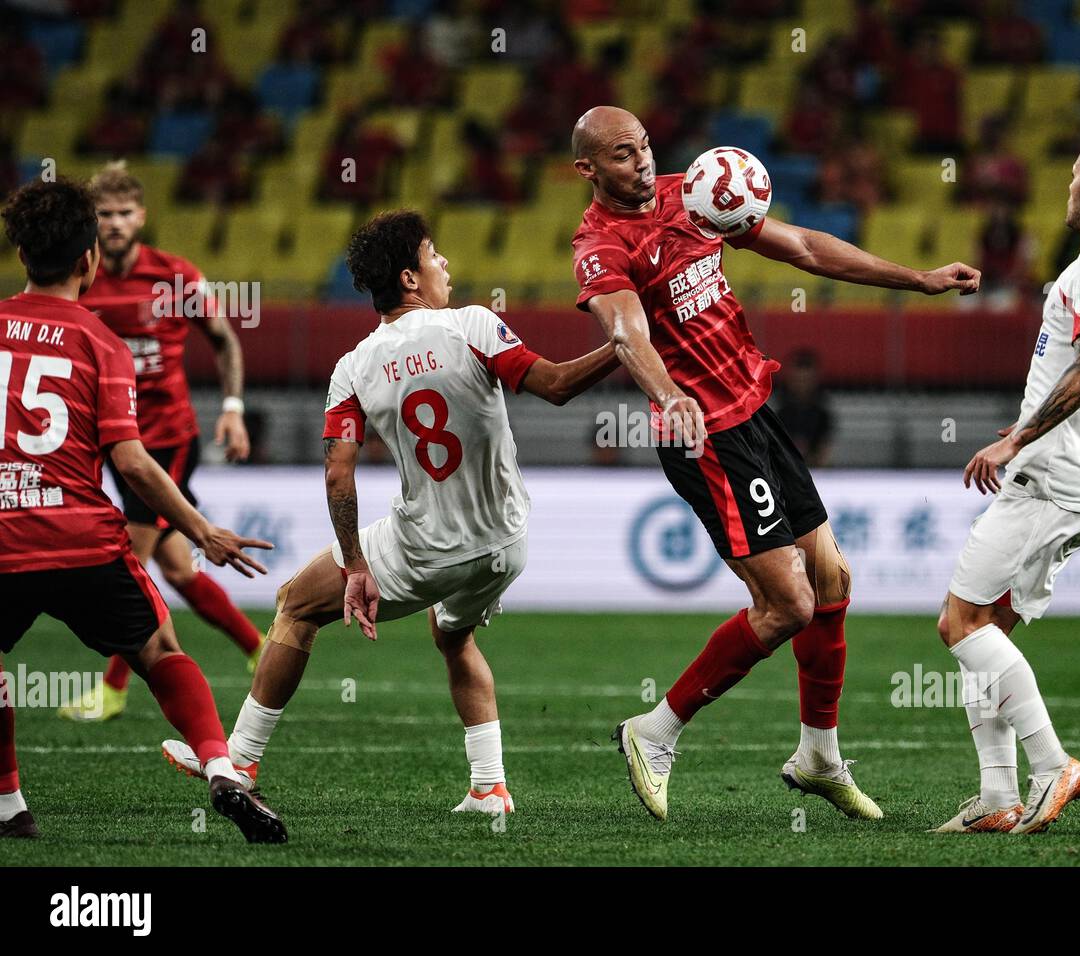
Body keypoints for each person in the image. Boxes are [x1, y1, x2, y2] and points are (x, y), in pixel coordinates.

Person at [569, 105, 981, 821]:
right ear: (587, 169)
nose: (640, 163)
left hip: (755, 413)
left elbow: (807, 249)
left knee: (831, 579)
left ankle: (818, 756)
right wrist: (669, 396)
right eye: (620, 155)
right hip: (706, 438)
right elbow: (626, 331)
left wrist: (918, 281)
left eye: (643, 147)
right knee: (788, 604)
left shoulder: (692, 193)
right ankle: (654, 730)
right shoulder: (600, 247)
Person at [161, 210, 620, 814]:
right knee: (452, 636)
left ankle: (240, 758)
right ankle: (490, 787)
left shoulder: (354, 368)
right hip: (508, 543)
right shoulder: (473, 327)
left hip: (429, 545)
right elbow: (557, 385)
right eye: (435, 256)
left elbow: (338, 472)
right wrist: (622, 345)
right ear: (410, 277)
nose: (445, 265)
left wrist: (355, 564)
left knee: (295, 604)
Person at [0, 178, 283, 842]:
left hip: (5, 539)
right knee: (159, 646)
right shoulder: (102, 342)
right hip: (80, 537)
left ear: (19, 257)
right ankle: (220, 769)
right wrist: (203, 527)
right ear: (88, 260)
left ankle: (10, 803)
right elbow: (128, 462)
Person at [932, 131, 1080, 834]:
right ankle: (998, 797)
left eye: (1072, 176)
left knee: (959, 622)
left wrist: (1020, 436)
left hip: (1050, 477)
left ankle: (1051, 766)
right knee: (990, 629)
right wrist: (1073, 426)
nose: (1067, 188)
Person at [58, 161, 263, 723]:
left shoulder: (175, 277)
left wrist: (233, 409)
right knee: (177, 568)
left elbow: (224, 342)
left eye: (125, 213)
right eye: (105, 215)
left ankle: (114, 688)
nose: (116, 224)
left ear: (143, 216)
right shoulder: (81, 279)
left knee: (130, 557)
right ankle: (260, 650)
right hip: (113, 445)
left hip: (166, 442)